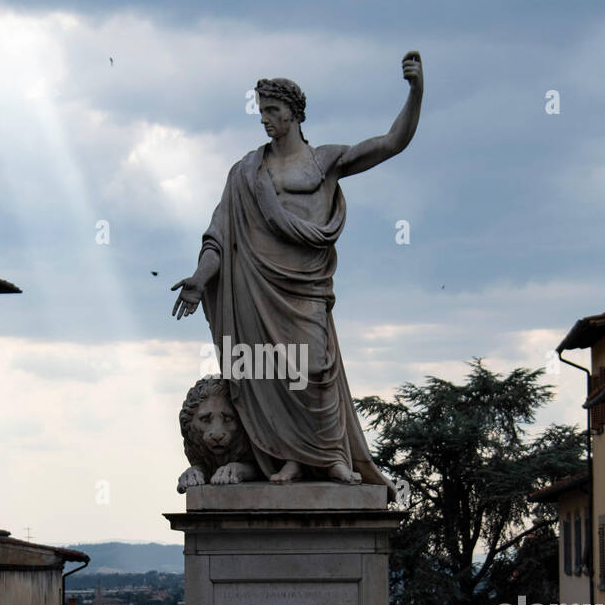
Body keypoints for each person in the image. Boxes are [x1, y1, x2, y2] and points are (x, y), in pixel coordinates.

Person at [171, 54, 423, 494]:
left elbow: (391, 142)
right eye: (261, 110)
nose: (265, 119)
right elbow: (218, 237)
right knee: (271, 375)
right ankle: (290, 459)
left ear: (294, 112)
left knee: (313, 366)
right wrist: (199, 278)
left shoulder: (325, 161)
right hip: (258, 288)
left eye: (273, 110)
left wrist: (416, 90)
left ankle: (329, 457)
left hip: (305, 287)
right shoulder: (246, 172)